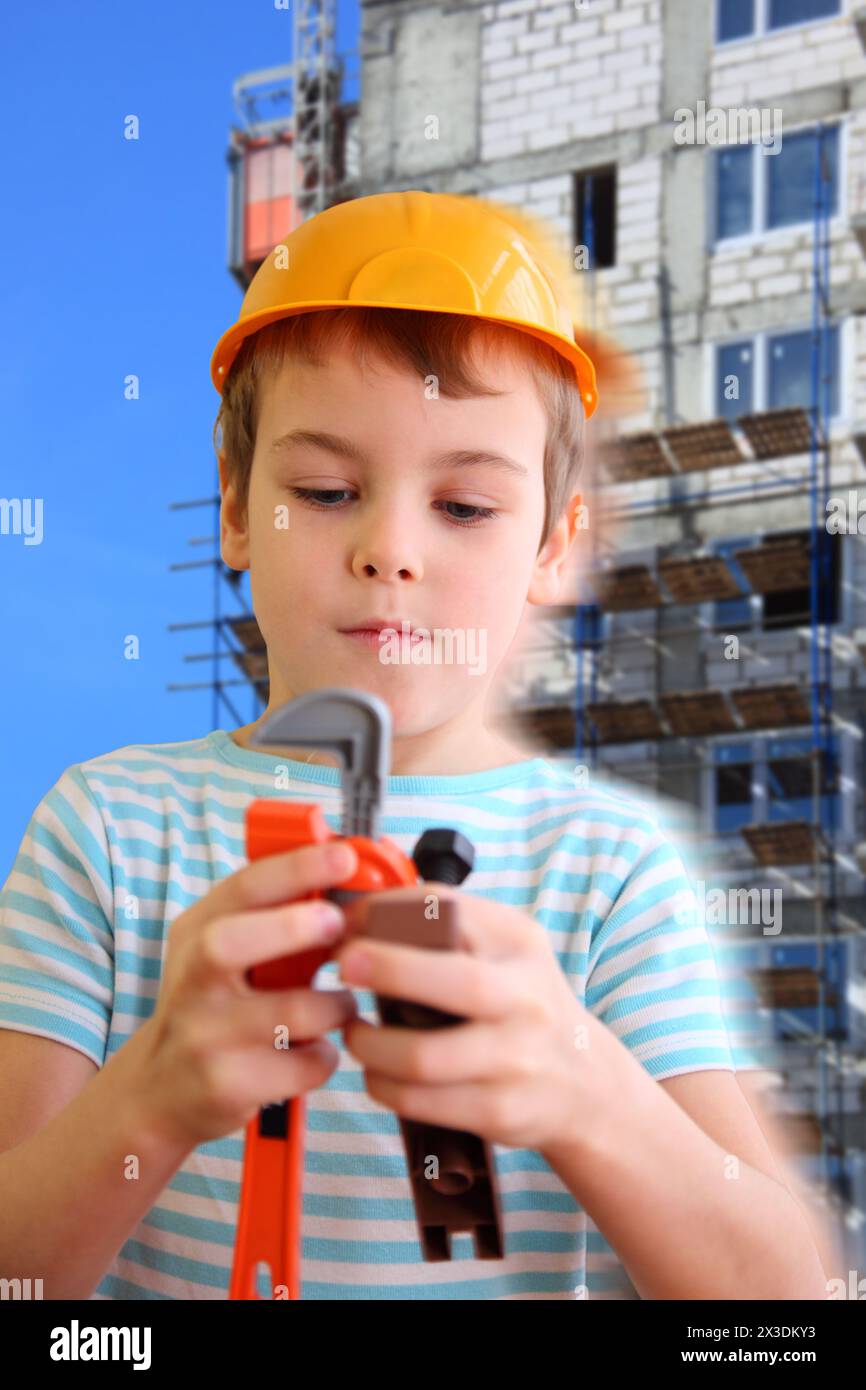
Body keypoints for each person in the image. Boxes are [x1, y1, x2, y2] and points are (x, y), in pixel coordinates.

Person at [0, 191, 834, 1299]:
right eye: (328, 491)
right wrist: (150, 1092)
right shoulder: (105, 830)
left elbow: (780, 1314)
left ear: (553, 543)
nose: (389, 549)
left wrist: (581, 1083)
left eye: (466, 506)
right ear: (237, 507)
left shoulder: (607, 868)